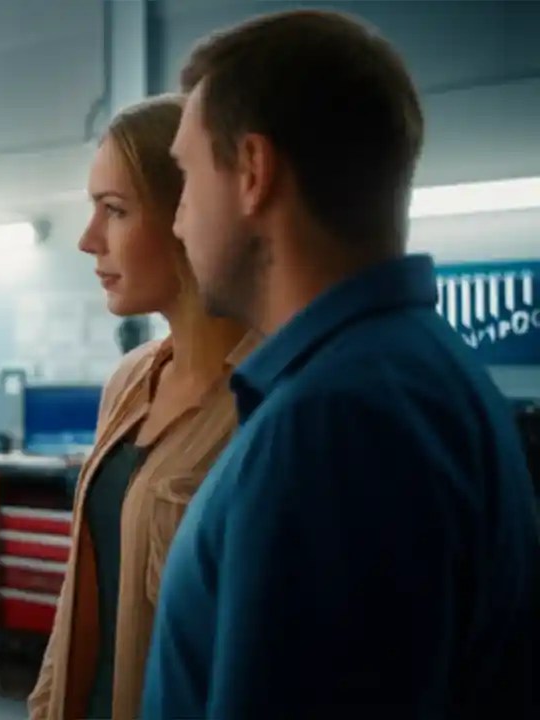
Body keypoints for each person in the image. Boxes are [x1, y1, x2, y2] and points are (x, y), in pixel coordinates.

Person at [142, 9, 540, 719]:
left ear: (254, 173)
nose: (177, 219)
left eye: (187, 176)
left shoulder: (332, 423)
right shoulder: (421, 369)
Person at [27, 95, 257, 720]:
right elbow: (84, 601)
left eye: (116, 211)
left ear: (190, 214)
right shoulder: (131, 381)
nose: (87, 239)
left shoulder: (267, 404)